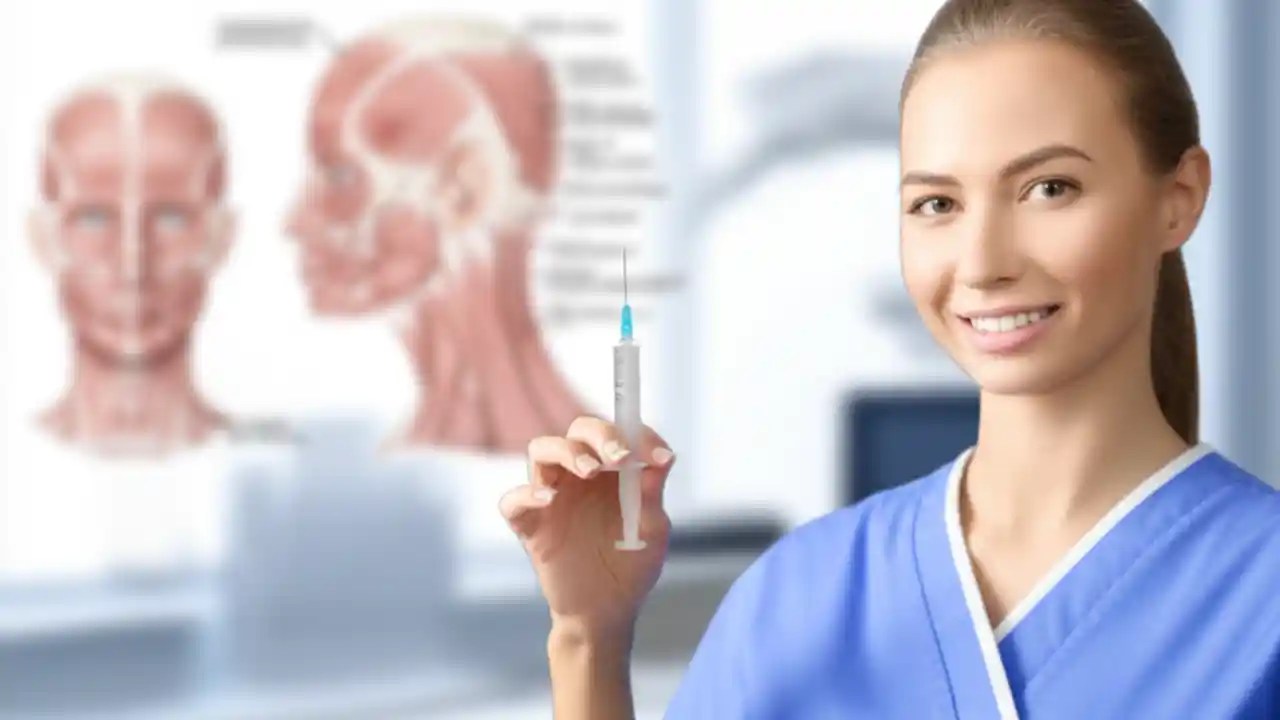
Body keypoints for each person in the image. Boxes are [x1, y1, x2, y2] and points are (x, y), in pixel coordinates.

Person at [497, 0, 1280, 717]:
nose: (982, 262)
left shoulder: (1261, 593)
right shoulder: (799, 594)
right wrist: (589, 639)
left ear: (1178, 199)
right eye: (936, 204)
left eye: (1048, 188)